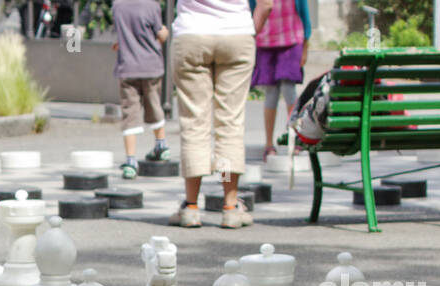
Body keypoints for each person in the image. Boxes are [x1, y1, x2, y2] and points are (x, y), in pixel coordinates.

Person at [167, 0, 269, 229]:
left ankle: (191, 207)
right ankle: (230, 206)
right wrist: (249, 30)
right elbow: (267, 4)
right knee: (229, 123)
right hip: (236, 34)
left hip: (191, 34)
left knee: (194, 122)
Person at [112, 0, 170, 179]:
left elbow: (123, 35)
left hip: (127, 67)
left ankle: (130, 161)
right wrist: (165, 32)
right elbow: (160, 34)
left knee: (130, 113)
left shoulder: (118, 6)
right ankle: (161, 145)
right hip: (151, 65)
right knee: (154, 105)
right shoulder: (151, 6)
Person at [250, 0, 310, 161]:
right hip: (265, 42)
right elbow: (251, 10)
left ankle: (296, 138)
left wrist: (305, 46)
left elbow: (304, 14)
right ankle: (269, 144)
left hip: (291, 41)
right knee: (271, 93)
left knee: (288, 89)